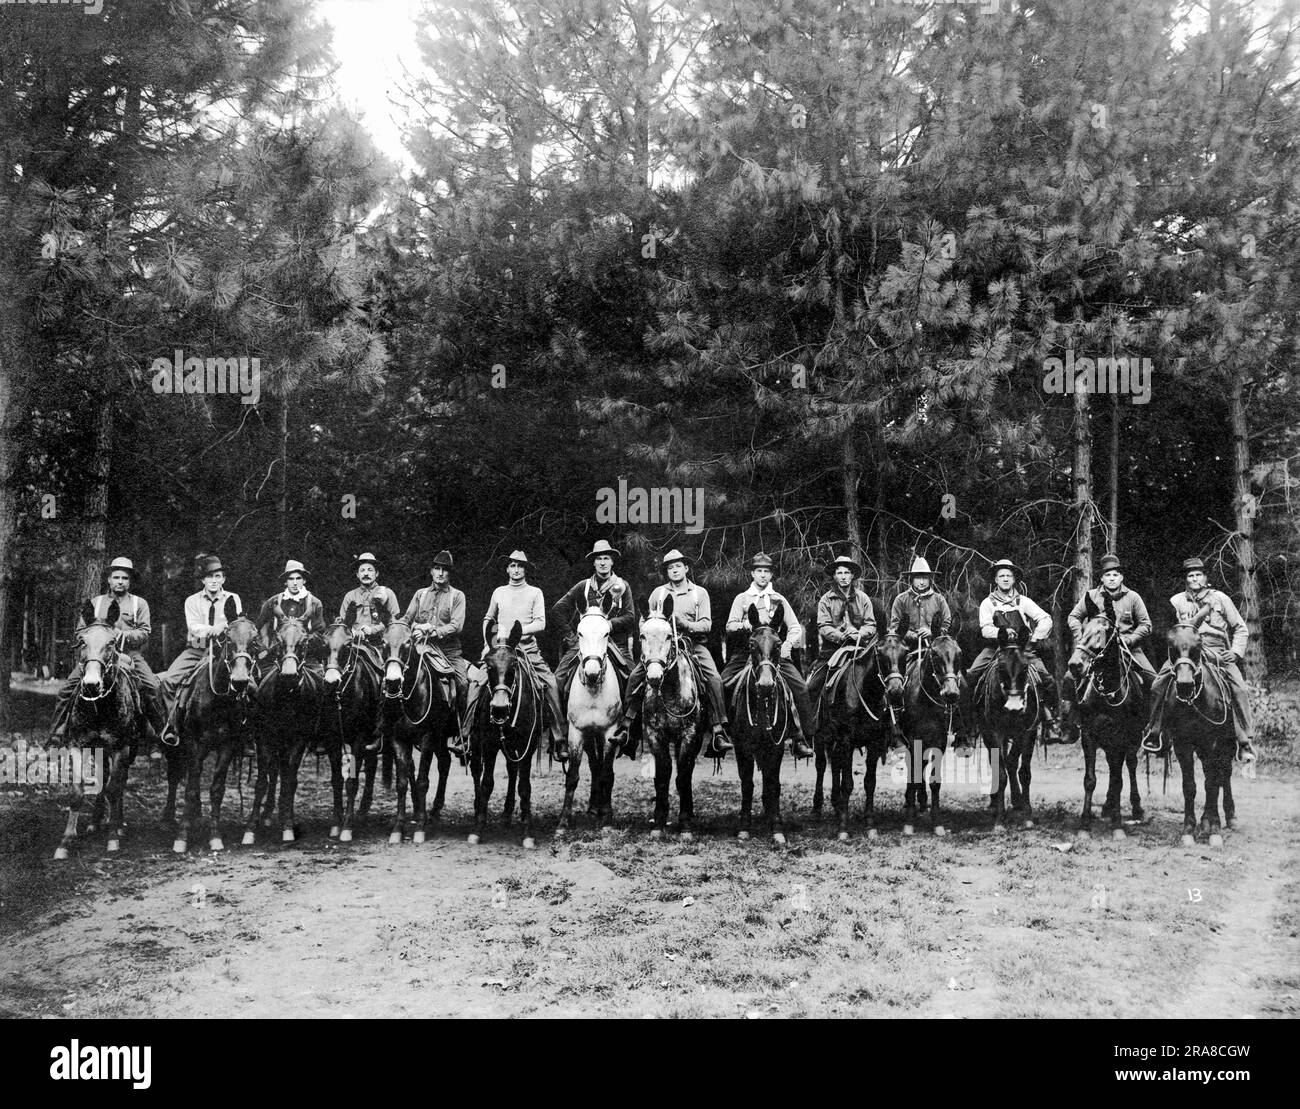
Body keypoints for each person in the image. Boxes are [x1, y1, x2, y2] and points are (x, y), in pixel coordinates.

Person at [613, 548, 732, 756]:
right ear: (666, 572)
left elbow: (706, 624)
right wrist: (652, 629)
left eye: (678, 566)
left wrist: (683, 623)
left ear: (686, 568)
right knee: (634, 677)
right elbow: (644, 619)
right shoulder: (657, 593)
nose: (675, 570)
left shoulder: (699, 593)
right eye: (670, 567)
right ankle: (627, 728)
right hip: (660, 647)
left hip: (691, 645)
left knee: (714, 679)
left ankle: (718, 730)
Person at [1143, 556, 1256, 764]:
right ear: (1186, 579)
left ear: (1205, 577)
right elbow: (1169, 629)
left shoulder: (1220, 598)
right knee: (1158, 683)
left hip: (1217, 651)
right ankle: (1155, 732)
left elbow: (1240, 628)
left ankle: (1244, 740)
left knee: (1239, 687)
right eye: (1190, 575)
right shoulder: (1176, 601)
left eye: (1198, 575)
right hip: (1186, 653)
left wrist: (1236, 652)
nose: (1194, 579)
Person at [464, 550, 568, 760]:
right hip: (500, 649)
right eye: (512, 565)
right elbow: (488, 617)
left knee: (551, 683)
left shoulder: (535, 592)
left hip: (526, 649)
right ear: (507, 569)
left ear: (525, 569)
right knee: (476, 682)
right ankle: (465, 736)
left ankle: (559, 739)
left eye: (520, 566)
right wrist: (488, 642)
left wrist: (517, 631)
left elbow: (541, 622)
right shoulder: (499, 591)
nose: (516, 569)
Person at [50, 556, 163, 741]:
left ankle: (157, 735)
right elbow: (80, 631)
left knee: (151, 686)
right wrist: (98, 636)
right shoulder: (95, 603)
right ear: (109, 579)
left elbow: (144, 632)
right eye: (116, 577)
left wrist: (122, 634)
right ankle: (57, 734)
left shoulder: (139, 604)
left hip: (129, 655)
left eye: (125, 578)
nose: (120, 581)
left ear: (130, 581)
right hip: (97, 656)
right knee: (66, 690)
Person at [720, 552, 815, 759]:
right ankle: (722, 731)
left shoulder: (779, 599)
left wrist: (788, 645)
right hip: (746, 653)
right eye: (759, 571)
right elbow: (730, 625)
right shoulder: (742, 599)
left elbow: (795, 627)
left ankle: (801, 737)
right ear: (752, 573)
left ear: (771, 575)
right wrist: (748, 624)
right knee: (722, 683)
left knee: (800, 687)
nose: (763, 575)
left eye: (767, 572)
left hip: (773, 656)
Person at [965, 559, 1063, 740]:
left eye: (1009, 576)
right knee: (971, 675)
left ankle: (1050, 720)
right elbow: (985, 628)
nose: (1005, 579)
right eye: (1001, 576)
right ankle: (970, 724)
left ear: (1014, 579)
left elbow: (1046, 619)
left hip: (1022, 649)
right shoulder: (988, 603)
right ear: (995, 579)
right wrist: (1001, 632)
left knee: (1046, 678)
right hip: (996, 648)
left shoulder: (1023, 601)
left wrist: (1034, 638)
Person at [157, 554, 244, 743]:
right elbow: (194, 627)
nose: (214, 581)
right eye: (209, 577)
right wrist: (216, 629)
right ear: (203, 579)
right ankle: (173, 724)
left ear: (223, 579)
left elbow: (237, 624)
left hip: (224, 651)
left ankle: (244, 733)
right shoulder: (192, 601)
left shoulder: (233, 598)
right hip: (196, 649)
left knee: (248, 682)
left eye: (218, 576)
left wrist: (227, 630)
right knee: (169, 681)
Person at [1066, 553, 1156, 719]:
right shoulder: (1091, 596)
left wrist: (1130, 639)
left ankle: (1152, 724)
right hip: (1096, 647)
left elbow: (1146, 625)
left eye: (1115, 575)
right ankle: (1072, 720)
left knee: (1154, 681)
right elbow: (1073, 617)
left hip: (1128, 647)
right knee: (1069, 677)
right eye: (1108, 575)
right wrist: (1081, 636)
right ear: (1102, 578)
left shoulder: (1133, 597)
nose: (1112, 578)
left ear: (1121, 577)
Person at [552, 539, 636, 700]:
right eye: (598, 559)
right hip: (586, 643)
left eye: (606, 558)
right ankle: (560, 722)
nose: (602, 562)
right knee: (558, 679)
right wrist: (571, 637)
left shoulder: (622, 585)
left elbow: (630, 617)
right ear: (594, 563)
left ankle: (629, 723)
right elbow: (558, 610)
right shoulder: (583, 586)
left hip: (615, 643)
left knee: (634, 681)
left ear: (612, 562)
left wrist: (609, 625)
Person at [403, 550, 469, 752]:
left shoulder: (457, 596)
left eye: (445, 570)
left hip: (448, 651)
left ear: (450, 574)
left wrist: (433, 630)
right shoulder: (420, 594)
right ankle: (386, 730)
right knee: (393, 676)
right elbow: (406, 620)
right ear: (431, 571)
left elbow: (457, 626)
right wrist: (412, 630)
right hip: (421, 647)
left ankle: (462, 734)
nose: (440, 573)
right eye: (437, 569)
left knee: (463, 683)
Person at [807, 553, 877, 735]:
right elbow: (823, 626)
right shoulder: (826, 600)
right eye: (840, 573)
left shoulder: (863, 598)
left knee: (883, 680)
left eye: (847, 573)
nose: (844, 576)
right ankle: (810, 729)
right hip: (833, 650)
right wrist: (841, 636)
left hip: (860, 649)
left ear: (853, 575)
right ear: (835, 576)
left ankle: (887, 727)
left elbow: (871, 624)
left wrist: (859, 633)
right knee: (812, 687)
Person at [255, 560, 326, 666]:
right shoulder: (273, 602)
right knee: (262, 679)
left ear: (304, 580)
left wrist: (305, 641)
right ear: (285, 581)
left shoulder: (315, 603)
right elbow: (256, 629)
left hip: (305, 657)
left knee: (318, 678)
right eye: (291, 579)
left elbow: (320, 633)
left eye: (298, 578)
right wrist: (264, 647)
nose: (295, 583)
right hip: (276, 656)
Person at [336, 551, 400, 669]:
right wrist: (353, 632)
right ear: (357, 574)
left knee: (391, 676)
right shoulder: (350, 596)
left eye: (370, 570)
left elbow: (394, 623)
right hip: (354, 646)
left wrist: (373, 630)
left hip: (380, 645)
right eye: (362, 570)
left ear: (377, 574)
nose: (366, 574)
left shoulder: (387, 593)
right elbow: (342, 624)